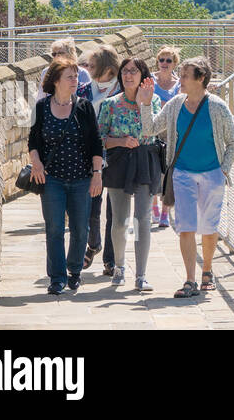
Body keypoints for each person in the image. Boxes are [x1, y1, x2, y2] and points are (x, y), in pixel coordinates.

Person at [138, 57, 234, 299]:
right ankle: (190, 280)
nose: (179, 80)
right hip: (182, 173)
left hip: (212, 174)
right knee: (185, 226)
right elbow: (149, 129)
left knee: (208, 226)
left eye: (184, 76)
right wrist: (144, 104)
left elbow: (233, 143)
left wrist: (222, 170)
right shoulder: (175, 105)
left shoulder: (217, 107)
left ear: (200, 79)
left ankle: (207, 270)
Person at [28, 55, 103, 295]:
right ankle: (57, 278)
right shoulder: (41, 107)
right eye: (70, 76)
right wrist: (36, 164)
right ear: (57, 80)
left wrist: (97, 174)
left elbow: (95, 143)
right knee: (55, 228)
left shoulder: (83, 107)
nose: (75, 80)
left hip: (81, 178)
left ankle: (75, 271)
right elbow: (33, 141)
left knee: (81, 229)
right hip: (52, 180)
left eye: (76, 76)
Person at [99, 57, 162, 292]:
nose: (128, 75)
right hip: (119, 162)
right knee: (120, 219)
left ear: (142, 75)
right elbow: (99, 138)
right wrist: (121, 141)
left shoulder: (154, 101)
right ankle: (119, 268)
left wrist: (144, 104)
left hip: (145, 160)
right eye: (125, 71)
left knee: (143, 218)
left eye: (133, 71)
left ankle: (141, 275)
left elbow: (153, 130)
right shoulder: (111, 104)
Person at [74, 46, 120, 273]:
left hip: (117, 154)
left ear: (107, 68)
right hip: (90, 156)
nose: (87, 69)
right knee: (91, 206)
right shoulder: (83, 91)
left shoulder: (122, 91)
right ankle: (94, 244)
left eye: (92, 65)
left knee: (114, 210)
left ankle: (110, 260)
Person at [150, 47, 181, 227]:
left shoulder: (178, 83)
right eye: (161, 60)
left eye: (168, 61)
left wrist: (161, 104)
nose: (164, 64)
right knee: (154, 168)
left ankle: (165, 211)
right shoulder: (150, 80)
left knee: (169, 171)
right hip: (154, 129)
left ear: (174, 63)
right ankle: (153, 206)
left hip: (171, 132)